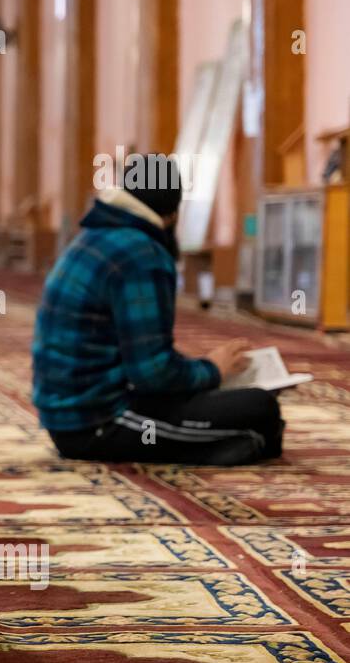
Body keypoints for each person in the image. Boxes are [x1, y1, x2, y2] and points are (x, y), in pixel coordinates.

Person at [32, 153, 282, 465]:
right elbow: (153, 375)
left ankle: (227, 445)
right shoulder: (142, 254)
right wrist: (213, 370)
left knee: (233, 405)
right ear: (172, 215)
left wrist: (204, 373)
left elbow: (142, 360)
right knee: (261, 408)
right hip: (99, 422)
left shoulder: (95, 235)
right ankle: (228, 445)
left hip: (69, 418)